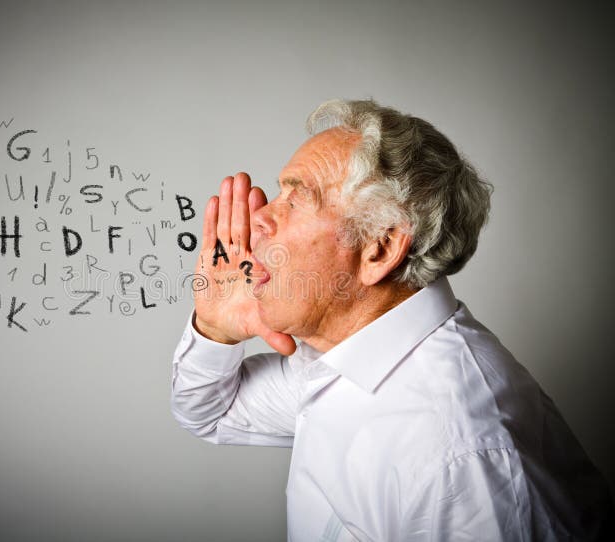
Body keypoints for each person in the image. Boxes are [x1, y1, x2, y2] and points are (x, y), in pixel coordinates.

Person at [170, 99, 613, 541]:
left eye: (297, 199)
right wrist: (216, 330)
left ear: (379, 248)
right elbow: (212, 413)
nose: (259, 219)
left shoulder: (461, 455)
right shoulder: (343, 359)